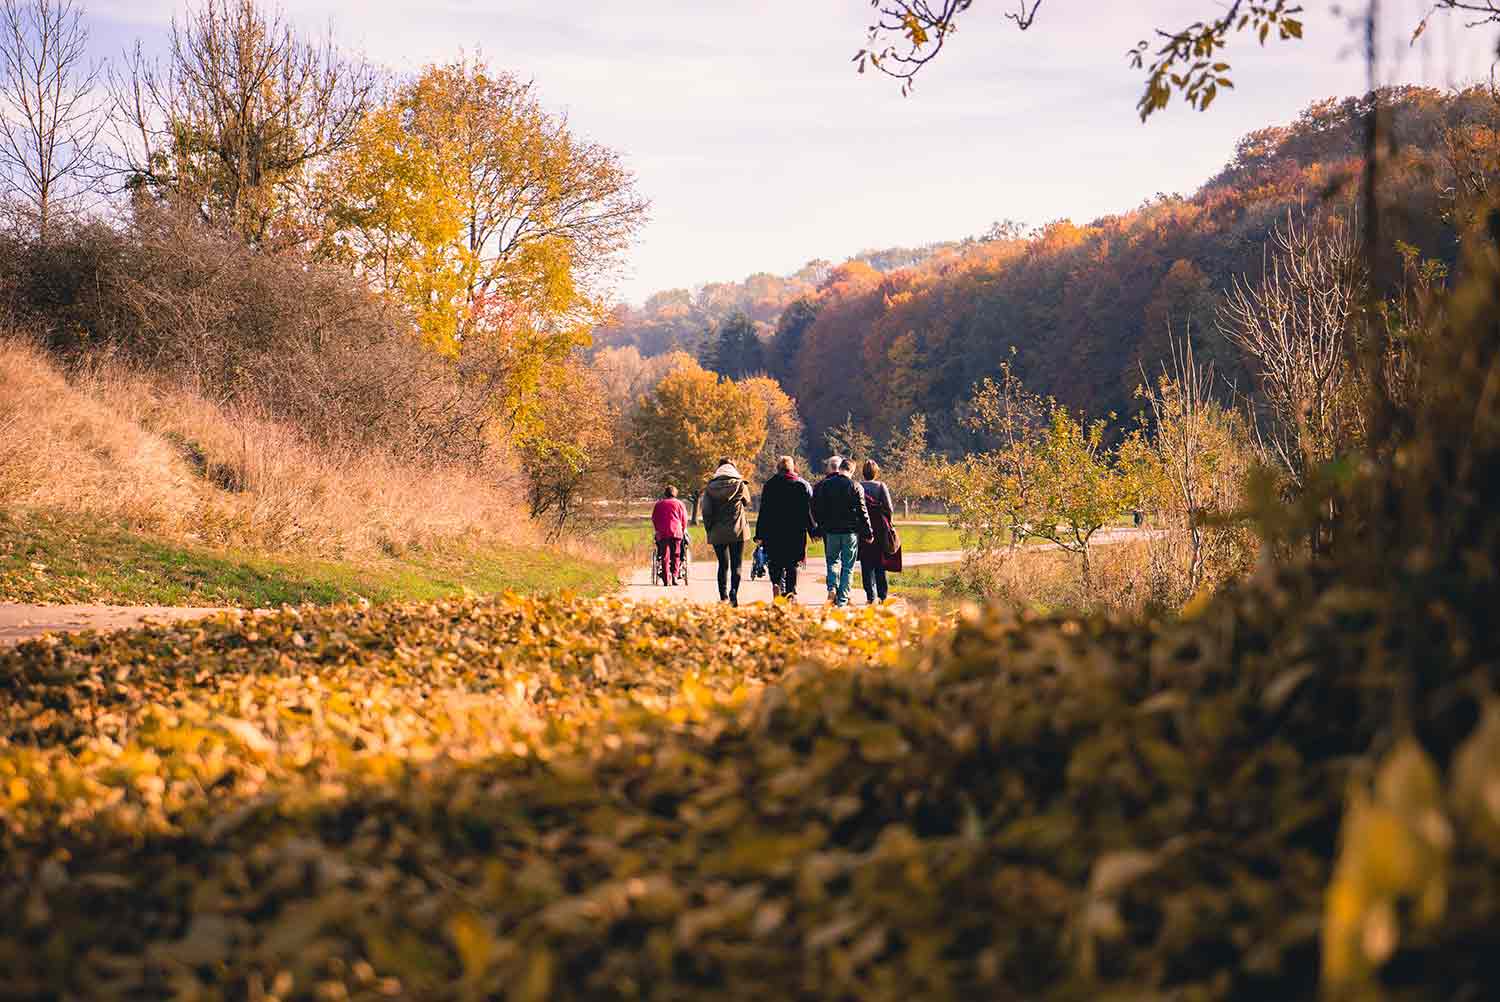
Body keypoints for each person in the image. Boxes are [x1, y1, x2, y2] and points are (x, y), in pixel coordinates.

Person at [811, 455, 873, 607]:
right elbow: (862, 511)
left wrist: (819, 527)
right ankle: (843, 599)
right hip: (850, 532)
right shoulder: (855, 486)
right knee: (848, 566)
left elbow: (818, 509)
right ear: (851, 471)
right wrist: (868, 532)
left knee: (832, 561)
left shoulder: (826, 485)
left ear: (840, 469)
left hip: (831, 531)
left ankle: (832, 588)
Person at [753, 455, 816, 600]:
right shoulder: (800, 485)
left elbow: (764, 511)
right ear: (792, 468)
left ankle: (776, 584)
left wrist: (759, 534)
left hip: (773, 531)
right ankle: (790, 592)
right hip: (795, 532)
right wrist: (813, 530)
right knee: (792, 564)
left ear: (778, 468)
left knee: (775, 561)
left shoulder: (770, 485)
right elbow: (806, 511)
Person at [699, 458, 752, 606]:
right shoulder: (740, 485)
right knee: (737, 564)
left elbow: (706, 511)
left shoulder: (710, 488)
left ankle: (723, 597)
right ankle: (734, 592)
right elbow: (747, 502)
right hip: (738, 530)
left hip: (717, 531)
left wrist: (709, 528)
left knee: (723, 564)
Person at [858, 459, 901, 603]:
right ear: (876, 472)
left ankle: (870, 596)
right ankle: (882, 595)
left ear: (863, 472)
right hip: (879, 528)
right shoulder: (881, 486)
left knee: (866, 562)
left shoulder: (857, 486)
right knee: (879, 562)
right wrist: (889, 522)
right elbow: (889, 508)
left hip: (863, 528)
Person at [651, 485, 689, 584]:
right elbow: (684, 519)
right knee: (676, 554)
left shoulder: (659, 504)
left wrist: (657, 530)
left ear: (665, 493)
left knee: (665, 555)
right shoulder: (680, 504)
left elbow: (654, 518)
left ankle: (666, 578)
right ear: (675, 493)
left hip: (663, 532)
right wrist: (683, 529)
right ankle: (675, 576)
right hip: (676, 531)